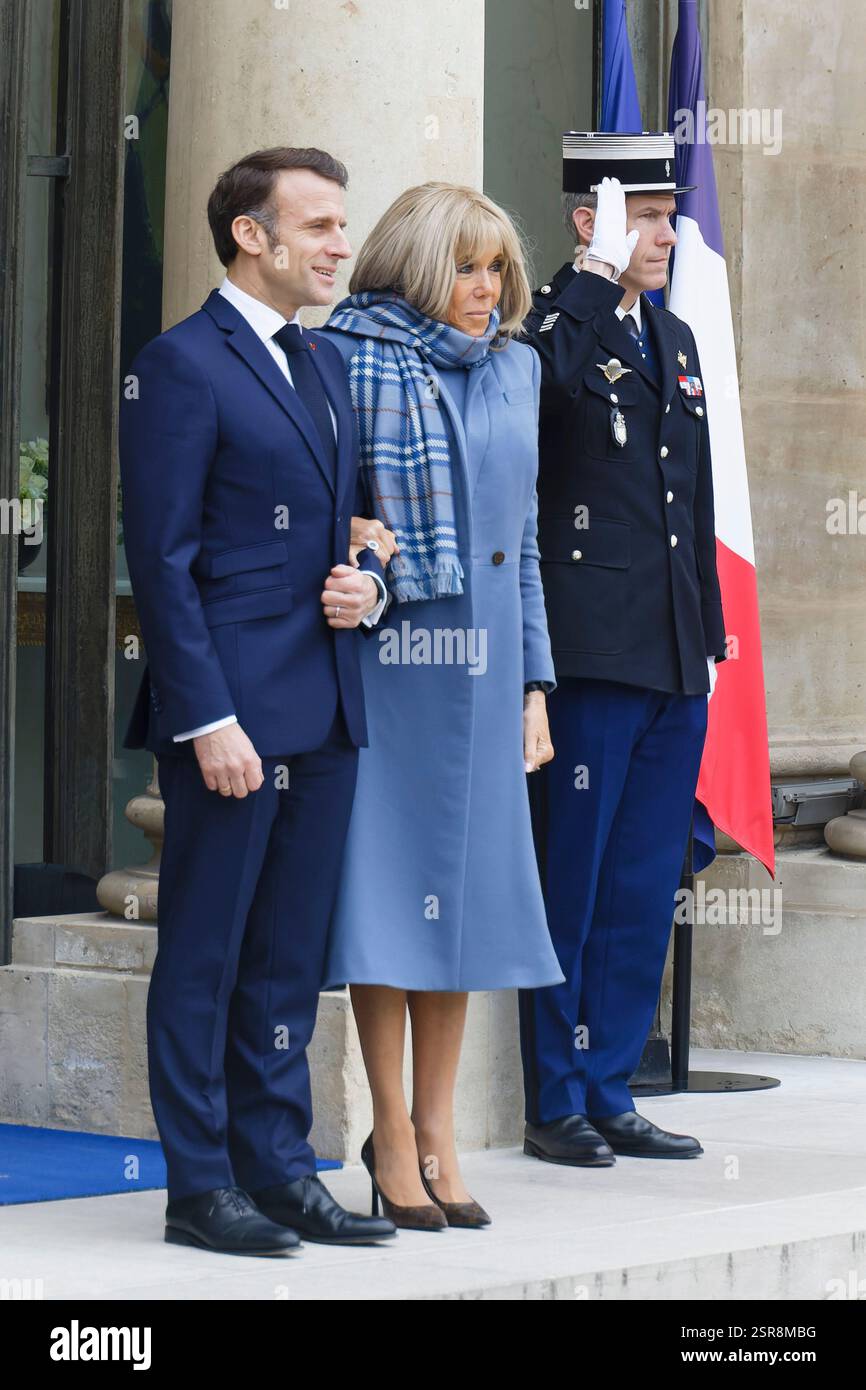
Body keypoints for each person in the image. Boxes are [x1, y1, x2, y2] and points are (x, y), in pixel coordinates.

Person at [119, 146, 398, 1254]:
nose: (340, 244)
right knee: (205, 951)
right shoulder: (180, 364)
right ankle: (198, 1185)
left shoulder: (325, 367)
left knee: (288, 957)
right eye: (320, 226)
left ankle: (278, 1169)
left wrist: (368, 582)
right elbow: (163, 556)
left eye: (342, 224)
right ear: (251, 234)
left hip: (326, 710)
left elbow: (367, 525)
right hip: (228, 718)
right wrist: (206, 719)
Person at [318, 182, 565, 1230]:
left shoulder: (520, 367)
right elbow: (334, 520)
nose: (485, 288)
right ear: (418, 266)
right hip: (393, 661)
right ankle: (384, 1129)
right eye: (464, 266)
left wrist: (534, 685)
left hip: (487, 668)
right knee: (388, 902)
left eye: (497, 268)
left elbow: (529, 544)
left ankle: (437, 1131)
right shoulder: (346, 357)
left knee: (463, 910)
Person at [518, 133, 726, 1167]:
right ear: (587, 219)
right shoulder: (560, 318)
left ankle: (610, 1085)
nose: (662, 231)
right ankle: (554, 1094)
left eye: (665, 212)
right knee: (573, 878)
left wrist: (708, 641)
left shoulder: (674, 337)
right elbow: (543, 390)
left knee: (642, 884)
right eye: (640, 213)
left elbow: (690, 500)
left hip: (669, 657)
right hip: (589, 656)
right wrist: (594, 274)